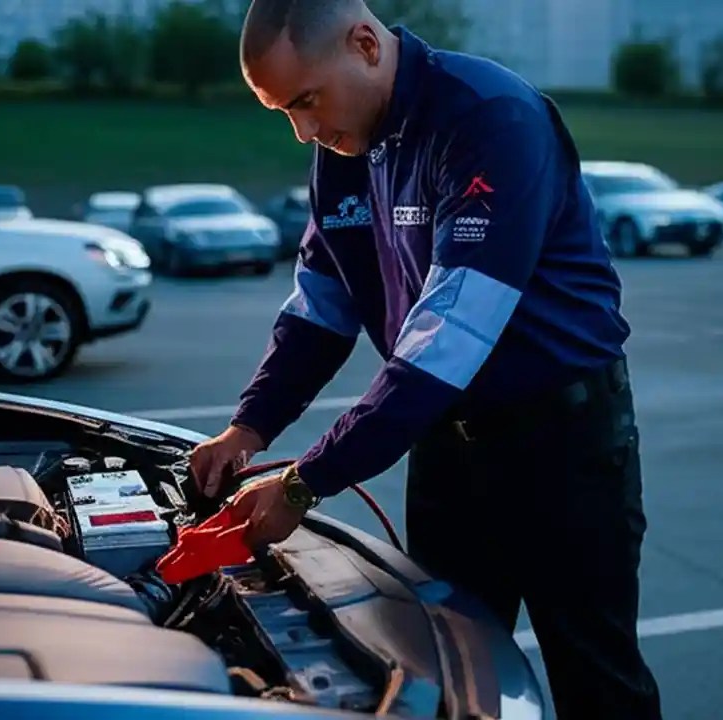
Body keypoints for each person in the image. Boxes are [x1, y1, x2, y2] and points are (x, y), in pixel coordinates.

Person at [189, 1, 662, 717]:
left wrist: (304, 485)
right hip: (446, 449)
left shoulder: (489, 120)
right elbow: (319, 309)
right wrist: (247, 428)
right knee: (445, 674)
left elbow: (448, 339)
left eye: (307, 101)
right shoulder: (341, 148)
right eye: (284, 112)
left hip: (562, 449)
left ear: (365, 44)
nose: (303, 132)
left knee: (596, 679)